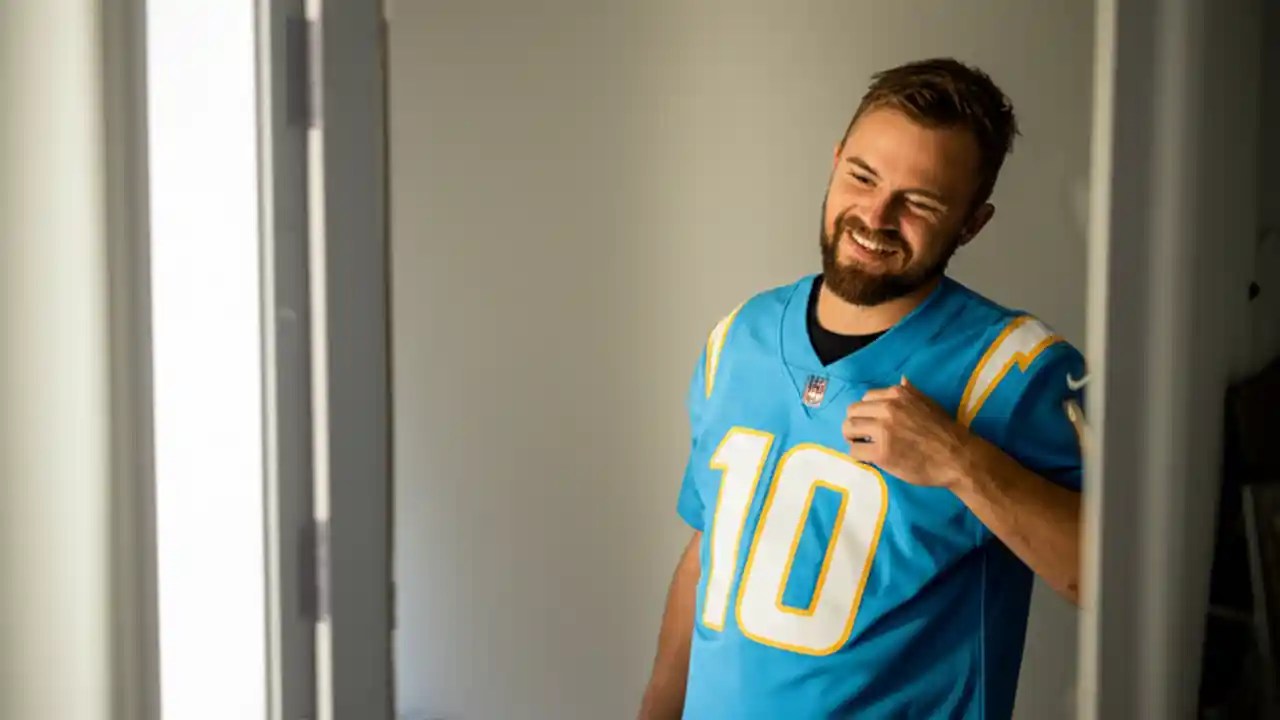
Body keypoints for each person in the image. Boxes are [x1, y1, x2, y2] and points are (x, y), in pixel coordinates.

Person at [637, 57, 1087, 720]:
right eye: (863, 177)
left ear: (971, 223)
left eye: (920, 202)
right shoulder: (740, 337)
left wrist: (962, 463)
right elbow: (709, 553)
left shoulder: (1016, 368)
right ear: (837, 158)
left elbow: (1129, 587)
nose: (875, 216)